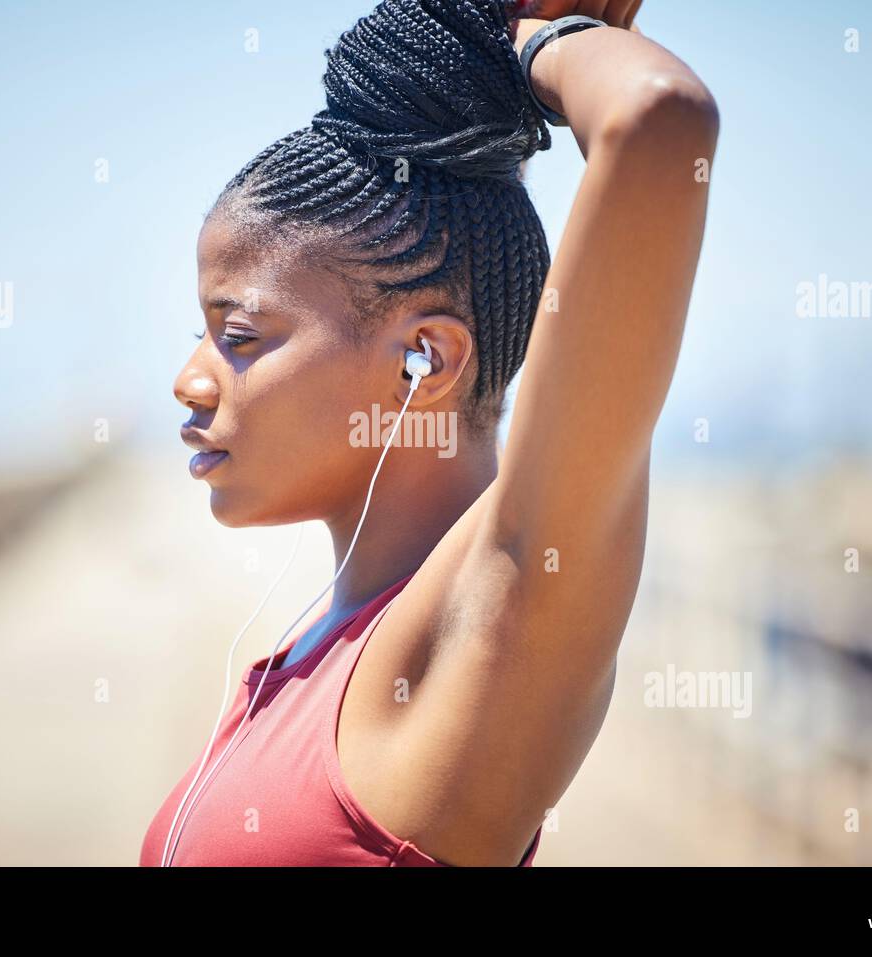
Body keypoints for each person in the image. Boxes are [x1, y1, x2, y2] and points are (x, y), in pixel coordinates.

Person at [142, 0, 718, 867]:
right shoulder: (316, 641)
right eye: (200, 334)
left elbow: (659, 120)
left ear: (425, 357)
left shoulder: (496, 614)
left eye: (242, 336)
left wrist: (520, 32)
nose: (191, 379)